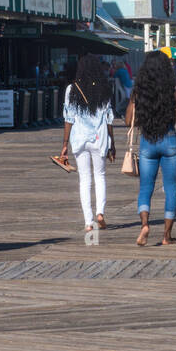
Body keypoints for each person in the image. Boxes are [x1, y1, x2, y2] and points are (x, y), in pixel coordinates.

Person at [125, 50, 176, 248]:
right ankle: (166, 235)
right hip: (169, 142)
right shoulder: (175, 96)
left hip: (148, 143)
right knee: (171, 189)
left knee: (145, 188)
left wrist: (135, 100)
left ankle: (145, 225)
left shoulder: (139, 94)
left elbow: (128, 120)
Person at [58, 55, 115, 233]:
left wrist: (65, 144)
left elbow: (69, 118)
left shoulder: (71, 89)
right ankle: (100, 213)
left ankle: (88, 222)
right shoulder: (105, 88)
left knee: (84, 179)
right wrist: (112, 144)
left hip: (79, 139)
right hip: (99, 138)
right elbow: (108, 118)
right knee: (100, 175)